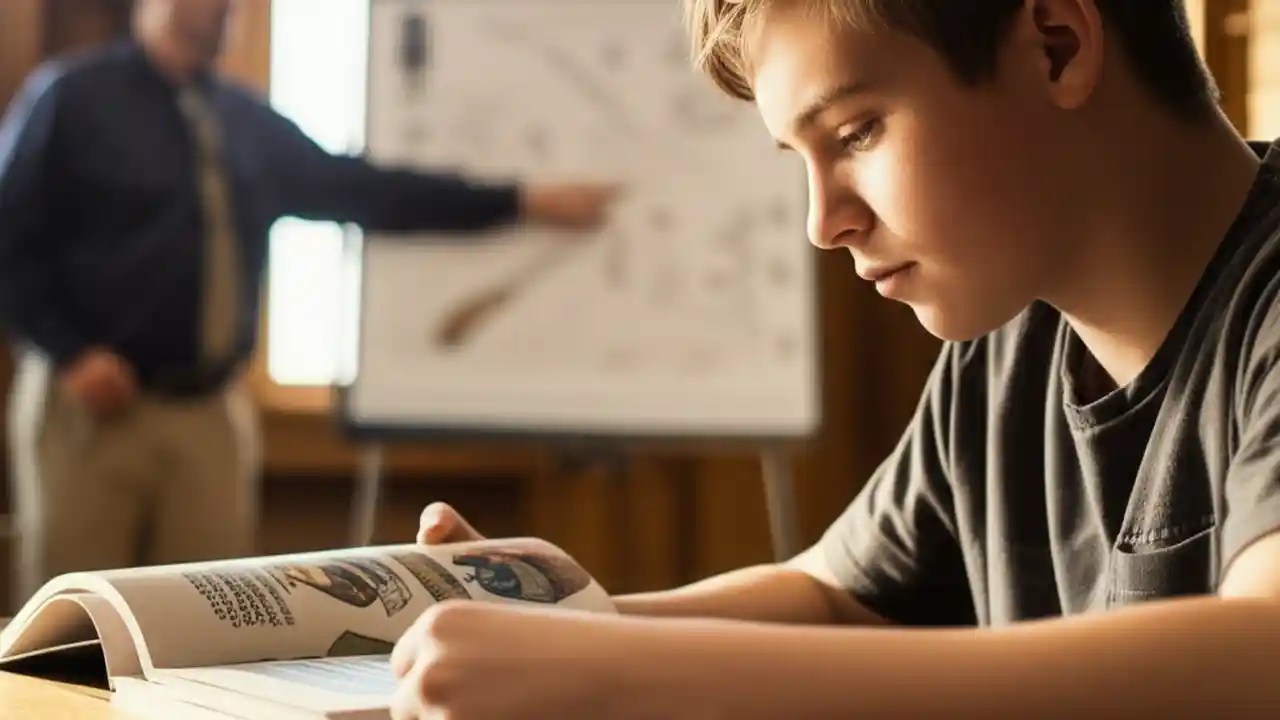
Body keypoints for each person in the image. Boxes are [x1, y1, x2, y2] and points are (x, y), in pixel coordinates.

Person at [389, 0, 1280, 717]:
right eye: (800, 159)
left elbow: (1260, 656)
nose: (824, 223)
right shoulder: (1014, 338)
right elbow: (837, 594)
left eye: (856, 133)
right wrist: (565, 623)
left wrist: (622, 674)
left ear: (1054, 45)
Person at [0, 0, 616, 608]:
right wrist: (71, 351)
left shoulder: (242, 120)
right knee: (73, 624)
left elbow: (362, 189)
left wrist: (519, 201)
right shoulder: (71, 98)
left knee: (204, 619)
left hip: (208, 413)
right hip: (93, 410)